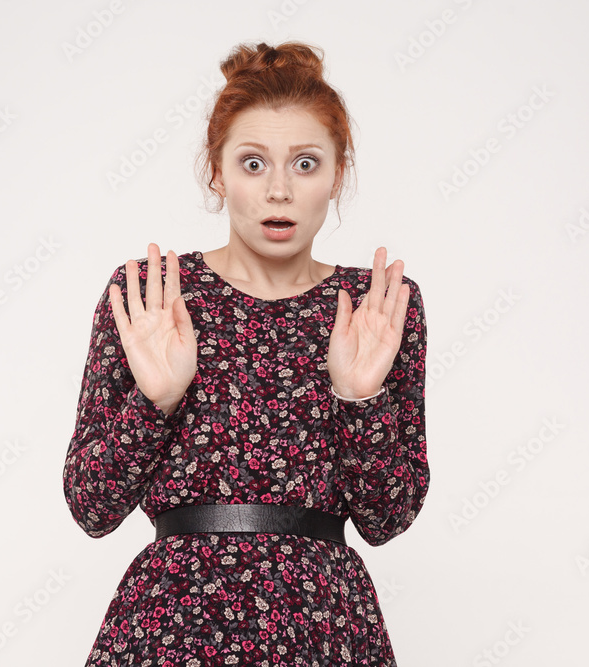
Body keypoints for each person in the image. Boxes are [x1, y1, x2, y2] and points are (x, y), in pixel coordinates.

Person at [63, 40, 429, 666]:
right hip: (172, 625)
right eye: (253, 163)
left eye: (306, 164)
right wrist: (157, 402)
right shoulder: (151, 297)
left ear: (338, 174)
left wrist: (358, 399)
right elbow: (91, 507)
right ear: (217, 171)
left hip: (324, 626)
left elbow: (386, 518)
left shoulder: (379, 306)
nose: (279, 191)